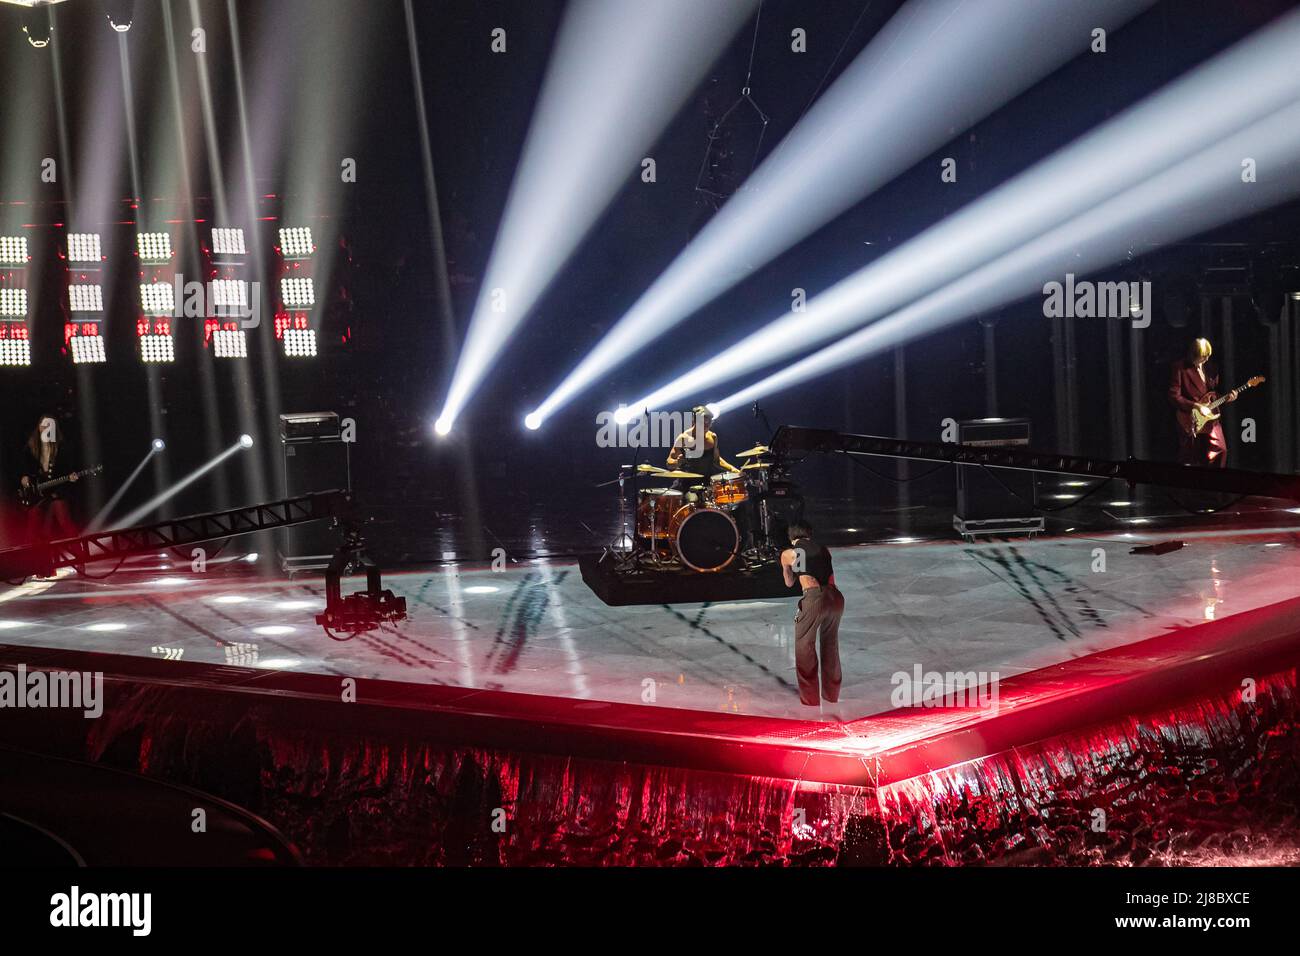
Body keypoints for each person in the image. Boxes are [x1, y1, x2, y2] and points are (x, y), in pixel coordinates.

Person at [780, 521, 844, 709]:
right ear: (810, 534)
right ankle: (832, 695)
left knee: (804, 646)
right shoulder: (824, 550)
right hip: (836, 598)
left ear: (792, 538)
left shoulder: (789, 553)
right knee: (831, 645)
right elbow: (830, 577)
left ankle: (810, 700)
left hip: (814, 598)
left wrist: (786, 567)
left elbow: (789, 583)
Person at [1168, 337, 1237, 468]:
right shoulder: (1180, 368)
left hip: (1211, 417)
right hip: (1191, 418)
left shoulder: (1211, 367)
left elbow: (1213, 393)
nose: (1206, 359)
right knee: (1189, 457)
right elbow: (1173, 396)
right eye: (1203, 356)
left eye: (1207, 356)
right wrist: (1195, 406)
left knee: (1221, 450)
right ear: (1193, 355)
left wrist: (1227, 398)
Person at [21, 411, 80, 548]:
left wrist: (72, 476)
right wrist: (24, 476)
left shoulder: (61, 447)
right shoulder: (31, 447)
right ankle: (34, 561)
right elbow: (24, 467)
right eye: (43, 425)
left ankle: (79, 554)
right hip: (39, 490)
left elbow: (69, 468)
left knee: (64, 522)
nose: (45, 428)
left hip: (57, 489)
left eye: (49, 426)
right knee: (33, 525)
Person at [666, 404, 739, 482]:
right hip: (687, 484)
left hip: (707, 482)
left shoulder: (713, 437)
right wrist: (677, 462)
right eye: (703, 421)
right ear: (695, 420)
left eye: (709, 422)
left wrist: (733, 469)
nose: (706, 424)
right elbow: (669, 463)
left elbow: (717, 460)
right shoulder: (684, 438)